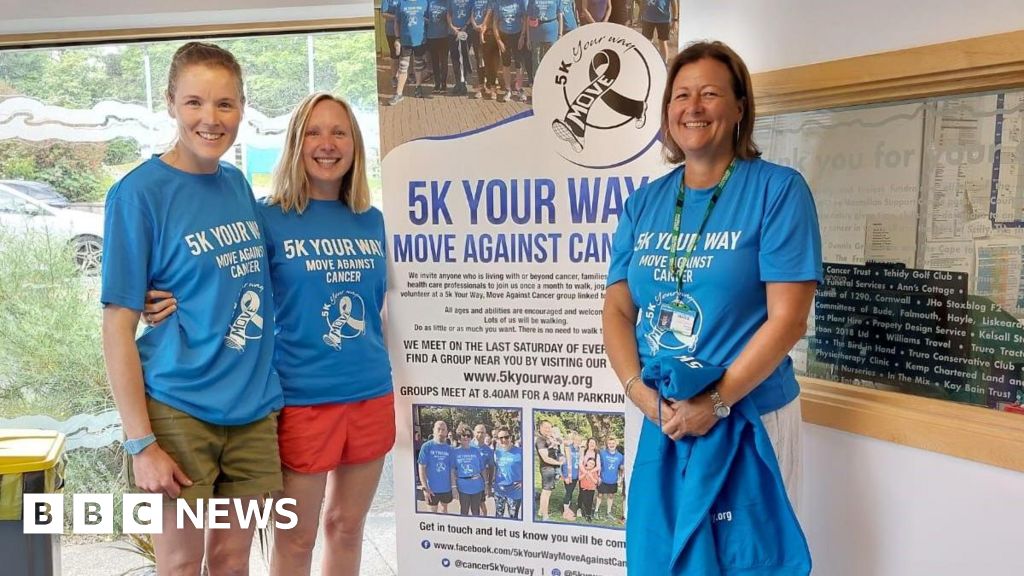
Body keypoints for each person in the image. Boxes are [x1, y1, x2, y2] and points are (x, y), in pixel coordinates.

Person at [144, 91, 394, 576]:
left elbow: (378, 304)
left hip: (370, 393)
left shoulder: (372, 220)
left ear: (354, 145)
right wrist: (164, 296)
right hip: (301, 400)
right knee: (296, 539)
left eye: (339, 132)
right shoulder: (265, 217)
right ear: (296, 145)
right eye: (314, 133)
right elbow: (222, 273)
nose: (327, 144)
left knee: (347, 526)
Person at [602, 40, 822, 570]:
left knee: (748, 562)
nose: (692, 108)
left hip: (747, 416)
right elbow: (616, 310)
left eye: (709, 93)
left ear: (740, 106)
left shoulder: (778, 191)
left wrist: (716, 403)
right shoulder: (644, 203)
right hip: (663, 418)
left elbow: (788, 319)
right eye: (681, 95)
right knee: (665, 558)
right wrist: (641, 397)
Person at [102, 41, 282, 575]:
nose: (211, 118)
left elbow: (239, 278)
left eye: (225, 104)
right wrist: (141, 443)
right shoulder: (139, 195)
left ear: (242, 108)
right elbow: (117, 324)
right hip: (179, 407)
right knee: (180, 562)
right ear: (170, 104)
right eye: (195, 102)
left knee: (233, 558)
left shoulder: (236, 184)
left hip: (251, 410)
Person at [390, 0, 431, 104]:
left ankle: (418, 87)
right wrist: (397, 38)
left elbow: (429, 19)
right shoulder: (401, 3)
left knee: (418, 65)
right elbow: (396, 22)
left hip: (420, 40)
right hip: (405, 41)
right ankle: (398, 94)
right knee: (403, 66)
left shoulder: (424, 3)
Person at [526, 0, 563, 104]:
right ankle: (537, 91)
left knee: (551, 63)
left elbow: (560, 15)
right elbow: (528, 17)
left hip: (552, 32)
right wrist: (528, 38)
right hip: (536, 32)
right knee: (536, 62)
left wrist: (560, 34)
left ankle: (550, 92)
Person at [493, 0, 529, 102]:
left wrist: (522, 36)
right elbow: (495, 23)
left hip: (517, 36)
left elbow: (525, 19)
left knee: (519, 64)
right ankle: (508, 90)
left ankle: (519, 89)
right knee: (506, 64)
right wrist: (499, 40)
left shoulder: (519, 2)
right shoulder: (498, 4)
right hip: (504, 37)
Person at [418, 420, 455, 513]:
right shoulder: (426, 447)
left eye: (443, 430)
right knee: (432, 515)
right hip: (431, 489)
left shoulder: (450, 449)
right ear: (433, 430)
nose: (441, 432)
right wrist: (425, 488)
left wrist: (453, 487)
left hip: (446, 488)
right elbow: (421, 467)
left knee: (444, 511)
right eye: (438, 429)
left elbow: (451, 470)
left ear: (447, 432)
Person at [452, 424, 486, 515]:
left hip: (477, 485)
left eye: (468, 435)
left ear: (471, 437)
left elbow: (482, 469)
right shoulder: (455, 452)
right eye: (463, 435)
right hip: (463, 486)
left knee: (476, 511)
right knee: (464, 511)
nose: (466, 437)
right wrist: (454, 487)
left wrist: (485, 484)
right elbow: (452, 471)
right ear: (459, 437)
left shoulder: (476, 451)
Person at [534, 419, 564, 521]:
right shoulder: (540, 440)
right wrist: (559, 463)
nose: (548, 429)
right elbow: (545, 458)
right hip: (547, 469)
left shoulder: (550, 438)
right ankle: (545, 516)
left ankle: (541, 511)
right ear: (540, 428)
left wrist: (561, 457)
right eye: (545, 427)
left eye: (549, 427)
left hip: (553, 468)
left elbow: (558, 450)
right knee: (546, 492)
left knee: (548, 491)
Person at [468, 0, 498, 99]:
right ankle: (481, 86)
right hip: (476, 32)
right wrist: (474, 25)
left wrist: (482, 27)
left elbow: (489, 14)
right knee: (479, 60)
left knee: (490, 61)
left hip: (488, 33)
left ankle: (492, 87)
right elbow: (472, 13)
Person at [492, 426, 523, 519]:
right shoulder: (496, 453)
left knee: (513, 518)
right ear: (497, 439)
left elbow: (529, 469)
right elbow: (495, 468)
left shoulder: (520, 452)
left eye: (506, 437)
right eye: (501, 438)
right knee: (498, 517)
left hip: (514, 491)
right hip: (499, 490)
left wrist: (523, 482)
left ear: (511, 437)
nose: (504, 440)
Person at [448, 0, 475, 95]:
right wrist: (452, 27)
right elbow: (449, 13)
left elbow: (472, 13)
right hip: (453, 33)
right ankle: (458, 82)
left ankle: (464, 81)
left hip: (466, 32)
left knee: (464, 57)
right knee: (455, 57)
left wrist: (465, 26)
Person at [426, 0, 452, 94]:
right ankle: (437, 84)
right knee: (434, 61)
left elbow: (450, 18)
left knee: (444, 61)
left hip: (444, 36)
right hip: (431, 36)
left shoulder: (448, 3)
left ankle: (444, 84)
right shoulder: (430, 2)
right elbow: (425, 16)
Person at [594, 436, 624, 521]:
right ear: (607, 444)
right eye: (609, 443)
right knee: (600, 495)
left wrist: (622, 476)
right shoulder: (602, 453)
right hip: (603, 479)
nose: (611, 445)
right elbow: (598, 465)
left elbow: (621, 467)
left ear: (616, 444)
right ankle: (596, 511)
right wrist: (598, 476)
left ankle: (608, 513)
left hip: (613, 480)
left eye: (613, 443)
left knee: (611, 496)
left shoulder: (620, 456)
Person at [472, 423, 495, 515]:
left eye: (482, 432)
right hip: (467, 483)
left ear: (485, 434)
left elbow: (491, 468)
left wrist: (489, 485)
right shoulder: (467, 446)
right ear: (474, 433)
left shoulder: (488, 450)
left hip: (480, 484)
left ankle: (483, 523)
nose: (480, 435)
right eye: (478, 432)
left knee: (482, 506)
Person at [560, 430, 580, 521]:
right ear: (573, 440)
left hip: (576, 475)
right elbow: (564, 463)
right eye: (576, 440)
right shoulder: (568, 448)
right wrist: (565, 475)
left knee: (571, 491)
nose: (577, 442)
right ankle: (565, 511)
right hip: (568, 474)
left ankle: (567, 507)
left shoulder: (580, 450)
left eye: (579, 440)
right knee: (568, 492)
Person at [577, 456, 599, 522]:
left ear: (594, 465)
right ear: (587, 463)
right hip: (583, 488)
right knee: (583, 499)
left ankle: (588, 514)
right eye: (590, 463)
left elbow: (596, 482)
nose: (591, 465)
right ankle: (580, 508)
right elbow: (579, 478)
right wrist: (585, 473)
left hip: (591, 489)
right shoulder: (583, 469)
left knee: (589, 501)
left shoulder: (594, 472)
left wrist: (591, 476)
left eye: (593, 464)